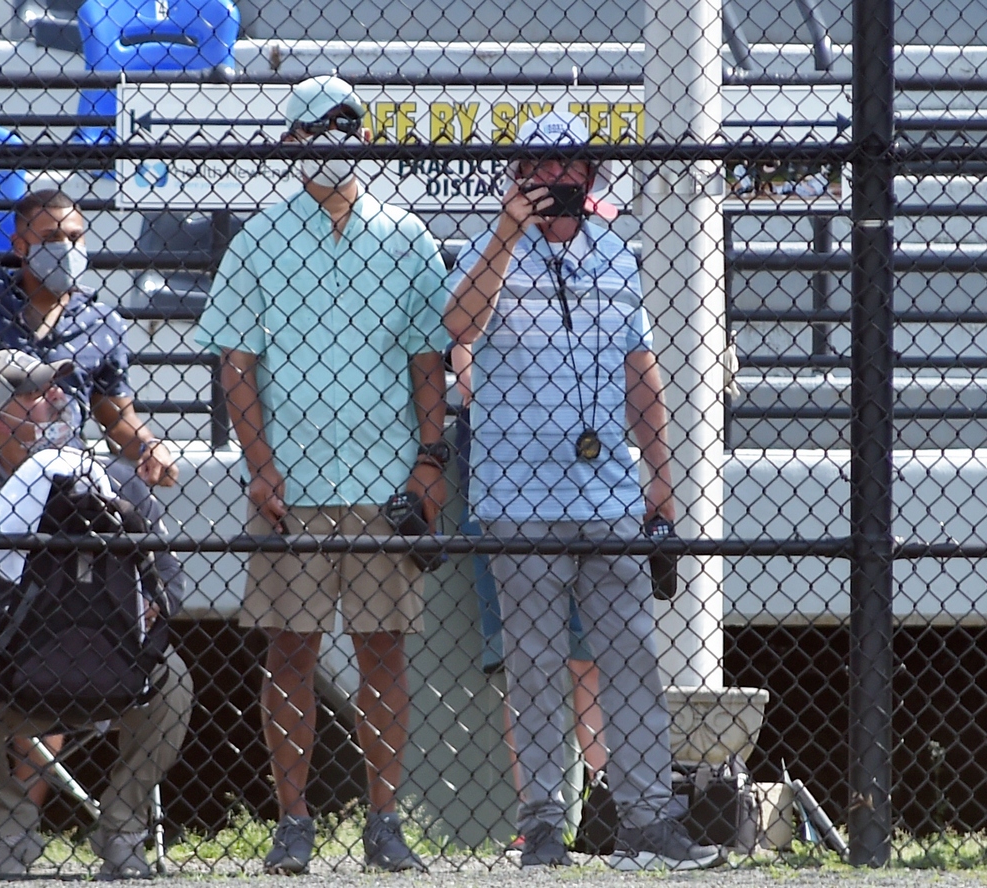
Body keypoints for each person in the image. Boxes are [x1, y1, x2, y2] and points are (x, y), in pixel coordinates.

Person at [444, 110, 726, 871]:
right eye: (542, 166)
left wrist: (661, 473)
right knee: (533, 664)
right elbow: (458, 326)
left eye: (572, 166)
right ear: (518, 175)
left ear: (593, 176)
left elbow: (641, 367)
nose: (559, 178)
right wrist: (508, 232)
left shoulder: (614, 256)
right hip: (515, 496)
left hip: (607, 494)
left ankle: (646, 823)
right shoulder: (486, 249)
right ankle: (542, 826)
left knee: (631, 654)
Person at [197, 75, 449, 874]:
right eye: (319, 130)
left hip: (384, 486)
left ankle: (384, 822)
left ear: (364, 140)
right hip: (291, 491)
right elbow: (236, 364)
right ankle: (294, 820)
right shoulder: (259, 240)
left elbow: (428, 365)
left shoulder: (408, 239)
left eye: (347, 127)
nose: (335, 143)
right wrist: (260, 468)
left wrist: (428, 460)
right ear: (292, 145)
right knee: (290, 654)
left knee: (384, 654)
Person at [0, 350, 194, 880]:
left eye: (57, 389)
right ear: (0, 417)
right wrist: (8, 641)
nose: (59, 399)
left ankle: (123, 830)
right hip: (9, 670)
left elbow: (170, 582)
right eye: (38, 394)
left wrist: (155, 610)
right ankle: (7, 832)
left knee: (173, 679)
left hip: (111, 659)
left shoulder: (115, 481)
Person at [0, 105, 178, 488]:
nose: (66, 248)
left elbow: (114, 415)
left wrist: (148, 447)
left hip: (59, 483)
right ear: (20, 246)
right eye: (51, 238)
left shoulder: (101, 321)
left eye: (75, 238)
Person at [451, 342, 607, 852]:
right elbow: (466, 363)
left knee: (589, 657)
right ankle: (539, 822)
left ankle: (607, 809)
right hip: (503, 475)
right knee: (525, 657)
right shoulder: (483, 275)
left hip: (578, 474)